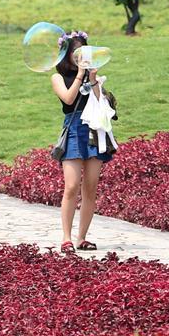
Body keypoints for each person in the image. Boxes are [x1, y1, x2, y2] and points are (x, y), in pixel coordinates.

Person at [50, 31, 114, 254]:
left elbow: (99, 102)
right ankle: (66, 238)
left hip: (94, 132)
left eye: (83, 53)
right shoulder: (58, 78)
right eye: (75, 54)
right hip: (75, 131)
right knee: (71, 186)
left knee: (90, 187)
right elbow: (68, 99)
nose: (80, 58)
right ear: (66, 55)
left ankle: (82, 238)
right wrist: (80, 75)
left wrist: (93, 79)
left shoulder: (91, 76)